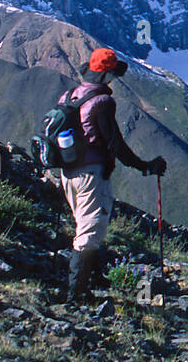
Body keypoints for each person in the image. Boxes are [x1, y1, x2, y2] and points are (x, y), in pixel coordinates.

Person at [59, 47, 166, 304]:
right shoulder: (102, 102)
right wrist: (145, 166)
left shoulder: (70, 95)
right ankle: (76, 296)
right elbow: (115, 144)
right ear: (107, 74)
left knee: (86, 225)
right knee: (89, 232)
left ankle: (92, 280)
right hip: (90, 175)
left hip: (68, 172)